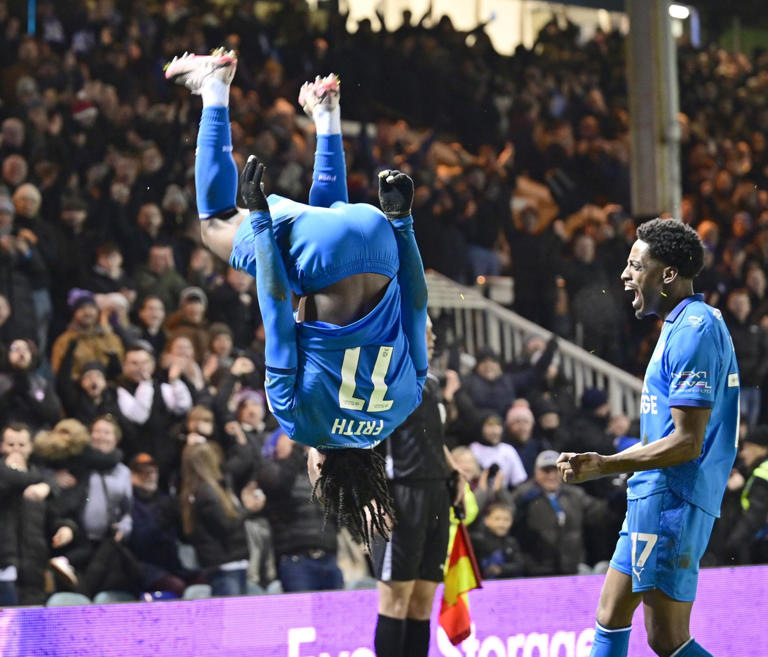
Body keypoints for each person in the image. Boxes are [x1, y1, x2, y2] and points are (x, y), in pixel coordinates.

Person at [166, 50, 428, 544]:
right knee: (215, 221)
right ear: (322, 465)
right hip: (321, 254)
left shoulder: (405, 405)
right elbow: (276, 312)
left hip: (378, 237)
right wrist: (260, 220)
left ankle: (327, 116)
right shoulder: (300, 422)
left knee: (323, 254)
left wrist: (403, 223)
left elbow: (416, 306)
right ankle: (214, 86)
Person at [557, 218, 740, 657]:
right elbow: (669, 434)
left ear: (668, 274)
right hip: (653, 493)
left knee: (667, 637)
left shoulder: (695, 330)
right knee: (611, 614)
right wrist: (610, 463)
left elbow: (686, 443)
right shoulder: (679, 325)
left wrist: (605, 466)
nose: (626, 274)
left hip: (673, 496)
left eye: (636, 265)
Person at [371, 317, 463, 657]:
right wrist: (373, 498)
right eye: (426, 328)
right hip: (400, 494)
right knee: (395, 600)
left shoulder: (432, 382)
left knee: (423, 601)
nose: (434, 335)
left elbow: (432, 439)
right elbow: (367, 443)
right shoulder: (383, 378)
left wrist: (454, 470)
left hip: (436, 494)